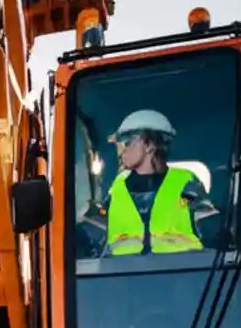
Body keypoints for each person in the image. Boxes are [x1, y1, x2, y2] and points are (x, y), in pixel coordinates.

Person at [83, 109, 219, 256]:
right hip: (123, 270)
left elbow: (210, 227)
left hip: (184, 270)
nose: (120, 152)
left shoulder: (186, 186)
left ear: (149, 145)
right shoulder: (116, 190)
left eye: (127, 143)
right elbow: (98, 233)